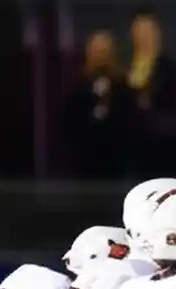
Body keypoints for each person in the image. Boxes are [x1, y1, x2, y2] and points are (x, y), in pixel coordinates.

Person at [65, 30, 132, 178]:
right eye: (97, 50)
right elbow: (70, 119)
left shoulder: (123, 83)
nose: (101, 55)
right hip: (85, 156)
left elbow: (129, 117)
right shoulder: (79, 84)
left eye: (104, 51)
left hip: (117, 155)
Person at [126, 7, 176, 174]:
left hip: (162, 153)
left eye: (147, 31)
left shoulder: (169, 70)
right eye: (138, 31)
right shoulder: (125, 67)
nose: (143, 36)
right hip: (130, 157)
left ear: (157, 33)